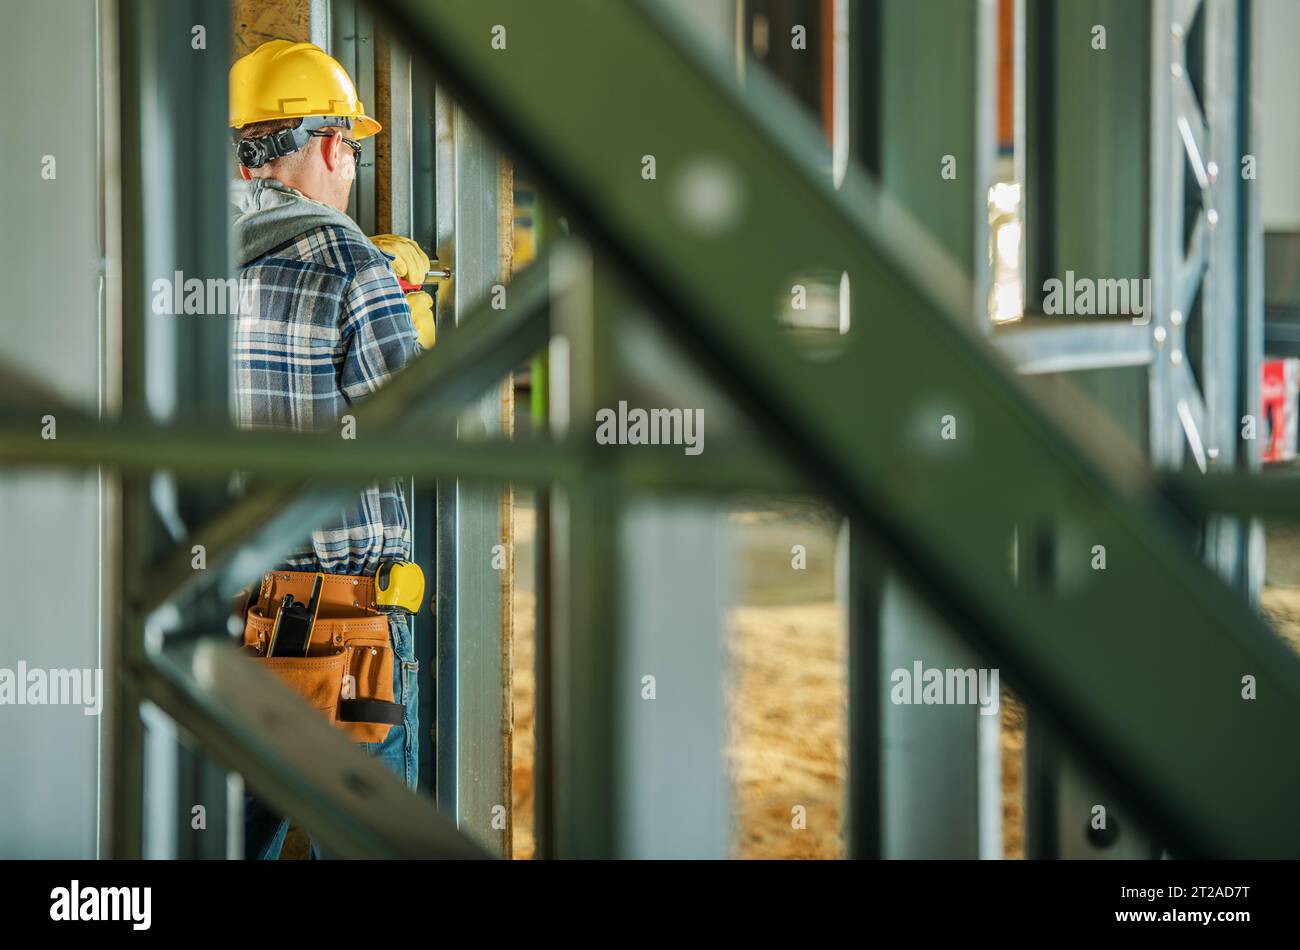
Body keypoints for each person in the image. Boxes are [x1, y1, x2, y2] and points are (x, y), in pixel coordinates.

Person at [228, 39, 433, 859]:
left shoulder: (185, 263)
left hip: (231, 610)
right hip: (346, 629)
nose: (349, 162)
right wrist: (409, 319)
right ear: (326, 145)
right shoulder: (353, 263)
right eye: (349, 144)